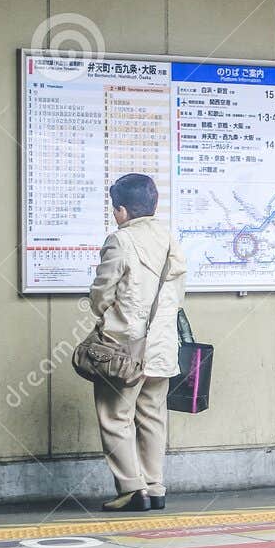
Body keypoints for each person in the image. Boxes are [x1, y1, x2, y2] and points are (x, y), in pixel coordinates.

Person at [88, 173, 186, 512]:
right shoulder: (169, 238)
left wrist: (103, 312)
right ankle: (155, 486)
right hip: (161, 344)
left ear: (123, 210)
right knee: (152, 415)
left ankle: (132, 489)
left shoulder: (120, 240)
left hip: (125, 346)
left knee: (115, 415)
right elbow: (178, 294)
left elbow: (102, 293)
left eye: (115, 209)